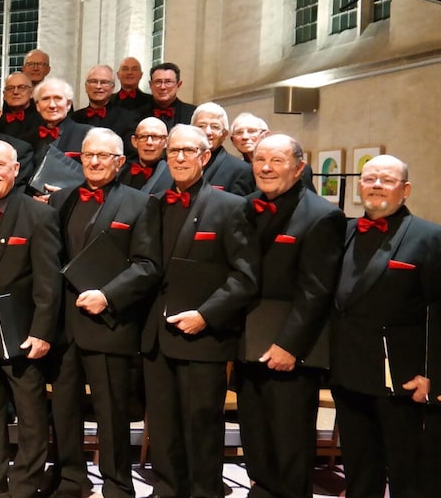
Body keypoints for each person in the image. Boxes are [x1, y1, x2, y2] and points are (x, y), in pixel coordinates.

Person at [141, 124, 258, 498]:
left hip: (203, 336)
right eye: (173, 151)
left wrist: (205, 315)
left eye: (188, 151)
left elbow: (245, 277)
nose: (178, 158)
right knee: (163, 426)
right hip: (157, 337)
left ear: (205, 156)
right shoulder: (154, 204)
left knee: (202, 425)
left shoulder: (230, 207)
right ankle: (166, 490)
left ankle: (205, 492)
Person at [47, 129, 162, 498]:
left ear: (120, 161)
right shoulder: (61, 199)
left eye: (103, 156)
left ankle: (116, 483)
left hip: (110, 323)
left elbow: (147, 265)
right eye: (88, 155)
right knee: (64, 409)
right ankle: (71, 479)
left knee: (111, 412)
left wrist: (108, 296)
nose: (94, 162)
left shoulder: (140, 203)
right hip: (64, 325)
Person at [235, 134, 344, 498]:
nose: (266, 168)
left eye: (277, 160)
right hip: (248, 343)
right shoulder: (245, 206)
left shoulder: (322, 215)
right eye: (260, 160)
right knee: (256, 436)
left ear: (299, 168)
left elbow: (316, 291)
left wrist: (288, 345)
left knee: (289, 442)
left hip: (292, 349)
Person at [330, 155, 439, 498]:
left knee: (409, 474)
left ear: (405, 190)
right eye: (370, 178)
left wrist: (433, 374)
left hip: (401, 378)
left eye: (387, 180)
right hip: (347, 373)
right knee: (359, 469)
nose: (376, 185)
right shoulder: (343, 231)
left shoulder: (429, 236)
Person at [0, 140, 61, 498]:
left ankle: (25, 483)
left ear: (16, 170)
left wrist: (42, 332)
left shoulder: (39, 215)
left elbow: (49, 282)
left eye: (0, 165)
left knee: (30, 414)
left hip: (19, 333)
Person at [191, 103, 252, 195]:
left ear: (224, 134)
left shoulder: (240, 170)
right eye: (201, 126)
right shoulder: (178, 163)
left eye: (215, 127)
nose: (208, 132)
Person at [71, 65, 138, 145]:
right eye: (93, 81)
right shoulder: (73, 119)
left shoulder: (128, 119)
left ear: (112, 88)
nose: (98, 86)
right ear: (86, 86)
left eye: (104, 82)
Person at [31, 77, 92, 158]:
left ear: (68, 104)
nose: (52, 105)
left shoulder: (88, 134)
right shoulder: (29, 139)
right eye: (45, 99)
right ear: (37, 106)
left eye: (57, 98)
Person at [118, 117, 171, 194]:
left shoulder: (173, 176)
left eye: (155, 137)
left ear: (166, 142)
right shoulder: (121, 174)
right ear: (134, 141)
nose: (149, 142)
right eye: (143, 136)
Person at [0, 72, 43, 143]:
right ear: (4, 95)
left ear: (31, 93)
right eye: (10, 88)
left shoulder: (42, 122)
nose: (15, 92)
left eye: (21, 87)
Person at [148, 62, 195, 128]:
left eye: (168, 82)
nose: (163, 87)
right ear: (150, 85)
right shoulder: (137, 114)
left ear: (178, 85)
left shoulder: (193, 114)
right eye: (158, 82)